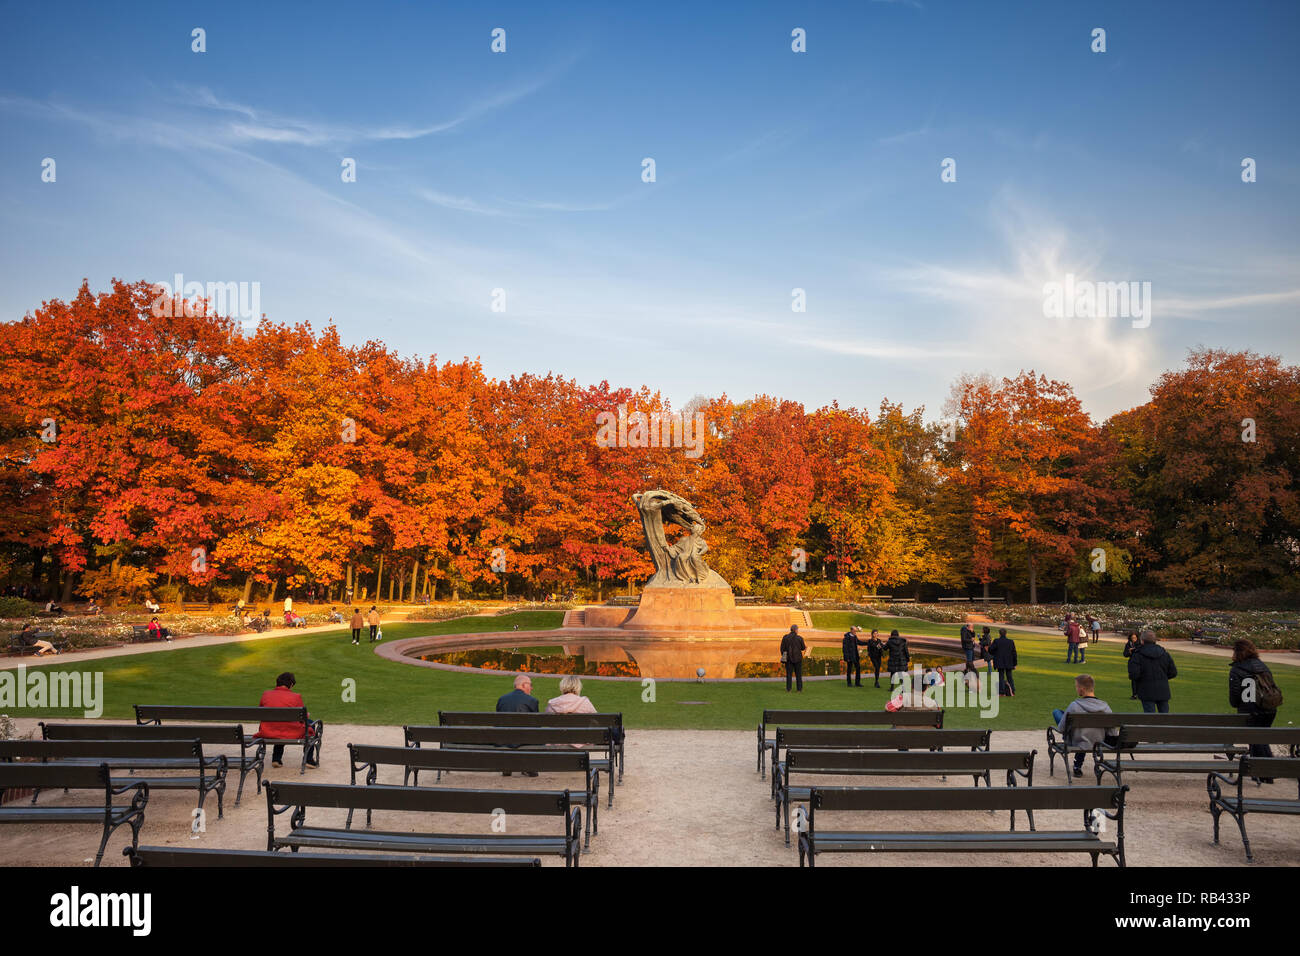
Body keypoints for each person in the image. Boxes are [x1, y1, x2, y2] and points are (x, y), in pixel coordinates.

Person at [1228, 638, 1282, 773]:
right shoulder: (1262, 666)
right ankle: (1266, 770)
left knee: (1256, 740)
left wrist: (1237, 704)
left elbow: (1235, 696)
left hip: (1249, 710)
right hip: (1269, 708)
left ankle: (1263, 771)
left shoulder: (1237, 669)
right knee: (1262, 739)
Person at [1051, 674, 1119, 778]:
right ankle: (1078, 766)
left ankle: (1077, 767)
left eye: (1076, 687)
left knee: (1057, 712)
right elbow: (1113, 732)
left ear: (1082, 689)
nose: (1076, 689)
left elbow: (1061, 728)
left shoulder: (1074, 705)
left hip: (1078, 740)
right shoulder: (1105, 707)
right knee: (1086, 731)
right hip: (1098, 740)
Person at [255, 672, 318, 768]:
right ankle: (309, 760)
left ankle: (276, 759)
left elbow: (261, 712)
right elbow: (303, 718)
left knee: (280, 723)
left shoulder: (266, 694)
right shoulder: (296, 697)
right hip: (290, 731)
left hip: (268, 731)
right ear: (291, 684)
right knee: (310, 724)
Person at [1128, 629, 1177, 713]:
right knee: (1164, 718)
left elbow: (1134, 674)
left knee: (1150, 718)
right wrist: (1162, 678)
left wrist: (1144, 679)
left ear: (1142, 641)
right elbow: (1172, 672)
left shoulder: (1138, 655)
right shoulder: (1164, 654)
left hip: (1146, 689)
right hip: (1162, 689)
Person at [990, 627, 1017, 696]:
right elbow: (1014, 653)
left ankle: (1001, 692)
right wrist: (1015, 663)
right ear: (1006, 634)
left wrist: (995, 653)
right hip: (1009, 662)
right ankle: (1012, 691)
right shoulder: (1011, 641)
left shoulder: (996, 641)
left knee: (1001, 677)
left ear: (999, 634)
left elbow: (990, 650)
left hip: (1000, 662)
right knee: (1009, 676)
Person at [780, 624, 807, 692]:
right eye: (797, 629)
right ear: (796, 630)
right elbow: (803, 648)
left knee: (789, 674)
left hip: (788, 659)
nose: (798, 631)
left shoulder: (785, 637)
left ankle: (788, 689)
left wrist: (784, 656)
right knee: (798, 674)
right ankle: (799, 689)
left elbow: (782, 648)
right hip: (798, 659)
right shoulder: (800, 638)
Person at [1122, 632, 1140, 699]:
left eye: (1135, 638)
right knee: (1133, 679)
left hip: (1140, 663)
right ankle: (1134, 694)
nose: (1133, 639)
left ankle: (1140, 694)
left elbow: (1141, 650)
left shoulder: (1140, 644)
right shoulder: (1128, 644)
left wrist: (1133, 650)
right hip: (1132, 663)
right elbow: (1125, 654)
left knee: (1140, 680)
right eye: (1132, 638)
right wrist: (1129, 652)